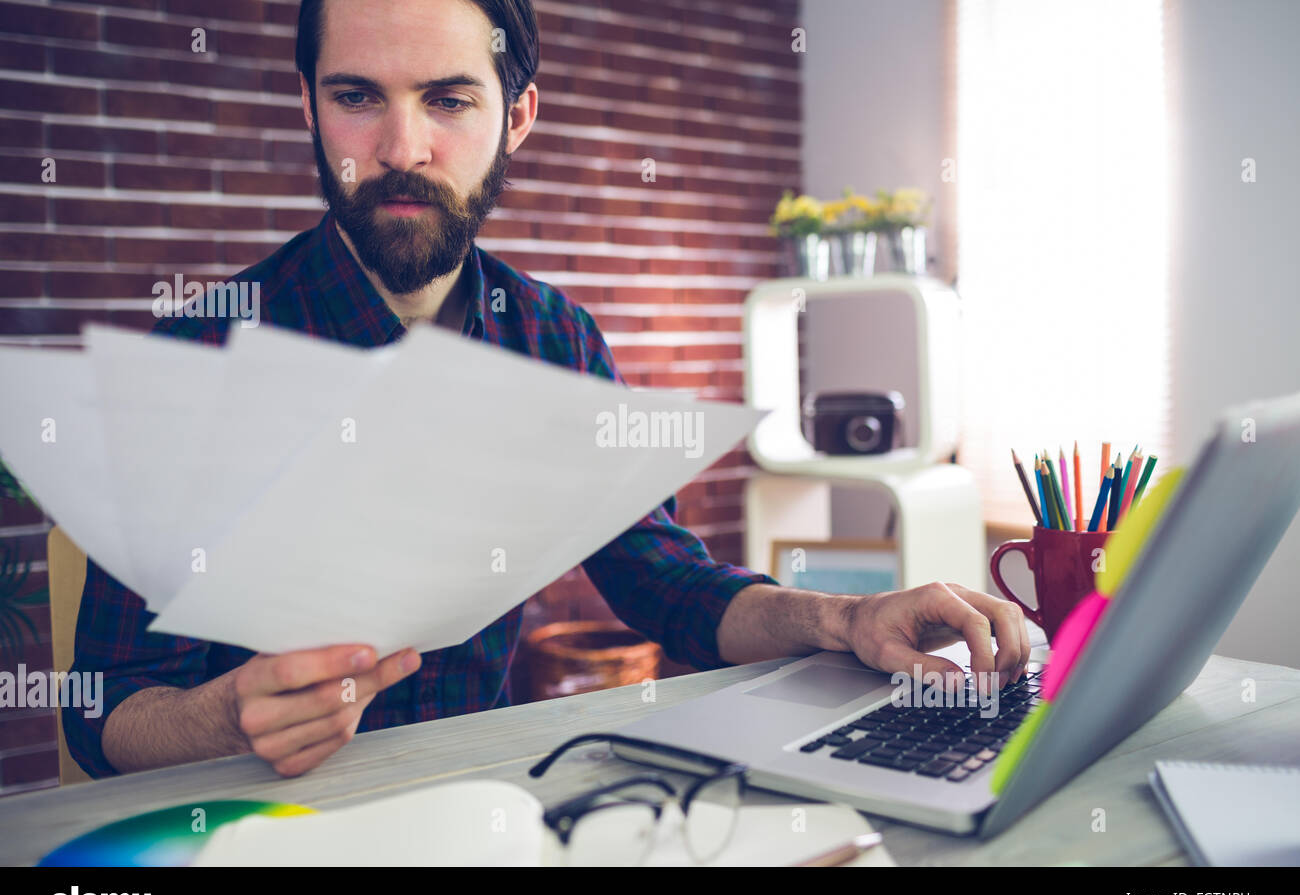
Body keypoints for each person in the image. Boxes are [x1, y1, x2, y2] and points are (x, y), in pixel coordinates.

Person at [65, 0, 1028, 780]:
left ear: (516, 114)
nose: (402, 147)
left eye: (448, 99)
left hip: (480, 812)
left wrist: (842, 618)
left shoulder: (555, 338)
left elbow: (665, 583)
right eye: (358, 96)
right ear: (307, 104)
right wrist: (223, 719)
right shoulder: (194, 359)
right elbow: (105, 713)